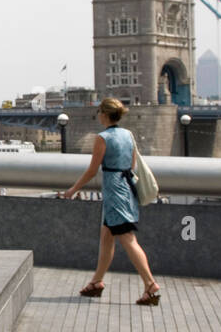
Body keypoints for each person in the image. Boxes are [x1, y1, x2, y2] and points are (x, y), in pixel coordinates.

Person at [59, 97, 161, 305]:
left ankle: (150, 285)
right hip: (126, 188)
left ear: (104, 114)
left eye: (99, 112)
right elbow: (132, 164)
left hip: (114, 192)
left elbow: (91, 170)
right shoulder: (128, 135)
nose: (98, 115)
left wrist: (73, 190)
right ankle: (96, 282)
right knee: (107, 237)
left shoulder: (102, 138)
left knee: (127, 238)